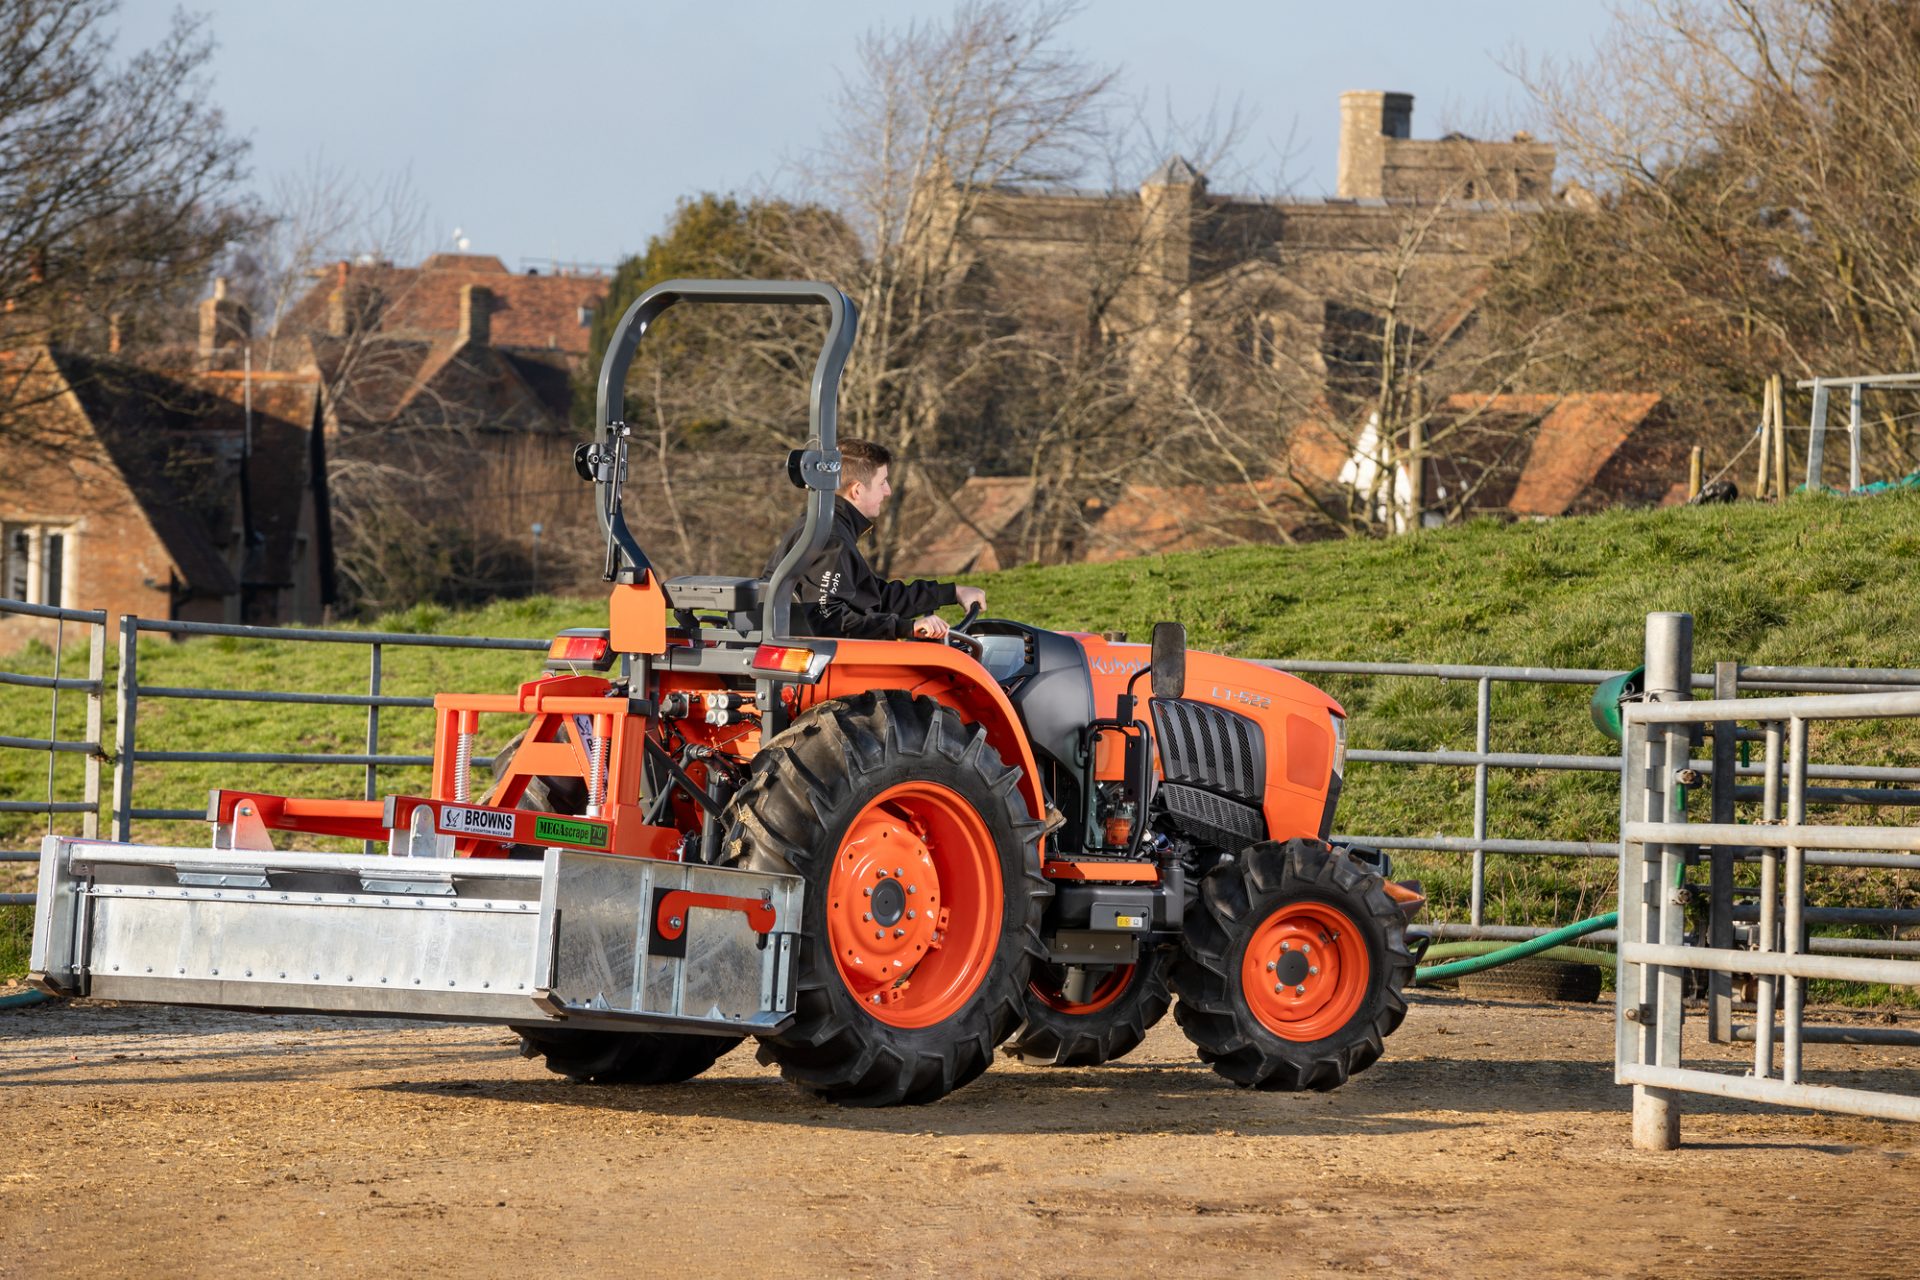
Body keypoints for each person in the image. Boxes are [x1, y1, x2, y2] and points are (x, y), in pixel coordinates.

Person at [767, 438, 985, 640]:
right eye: (882, 482)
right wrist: (907, 628)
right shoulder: (831, 540)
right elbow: (829, 620)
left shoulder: (829, 529)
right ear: (857, 491)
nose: (888, 491)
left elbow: (872, 597)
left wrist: (953, 592)